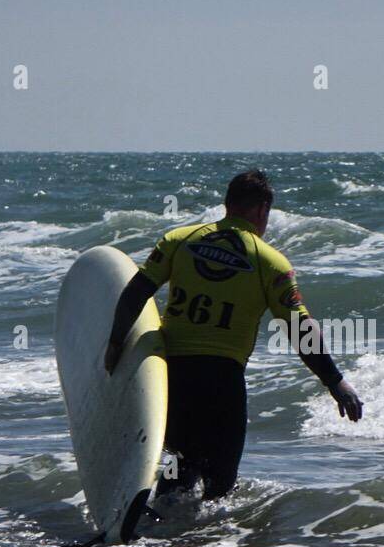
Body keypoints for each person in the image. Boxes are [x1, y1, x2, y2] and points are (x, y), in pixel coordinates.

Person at [104, 169, 363, 502]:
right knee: (220, 487)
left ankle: (157, 540)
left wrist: (115, 345)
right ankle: (210, 546)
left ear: (228, 204)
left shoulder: (179, 239)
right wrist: (335, 381)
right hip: (222, 383)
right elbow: (300, 328)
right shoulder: (271, 263)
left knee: (181, 466)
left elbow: (135, 292)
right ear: (261, 211)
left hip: (172, 377)